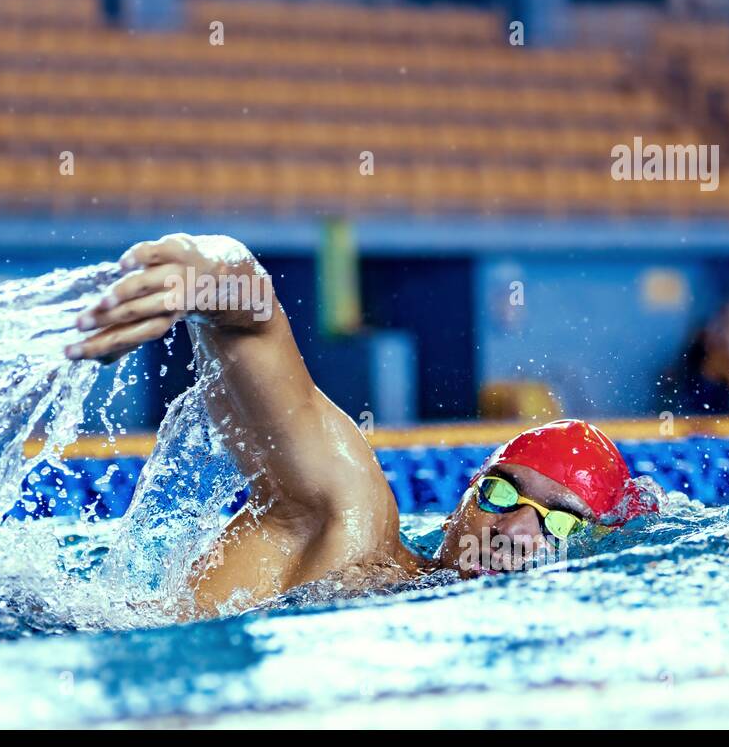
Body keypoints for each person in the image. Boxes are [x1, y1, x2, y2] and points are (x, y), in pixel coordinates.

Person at [67, 234, 655, 617]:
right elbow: (256, 323)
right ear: (462, 503)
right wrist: (215, 276)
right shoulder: (350, 533)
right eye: (502, 493)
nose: (516, 531)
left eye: (561, 522)